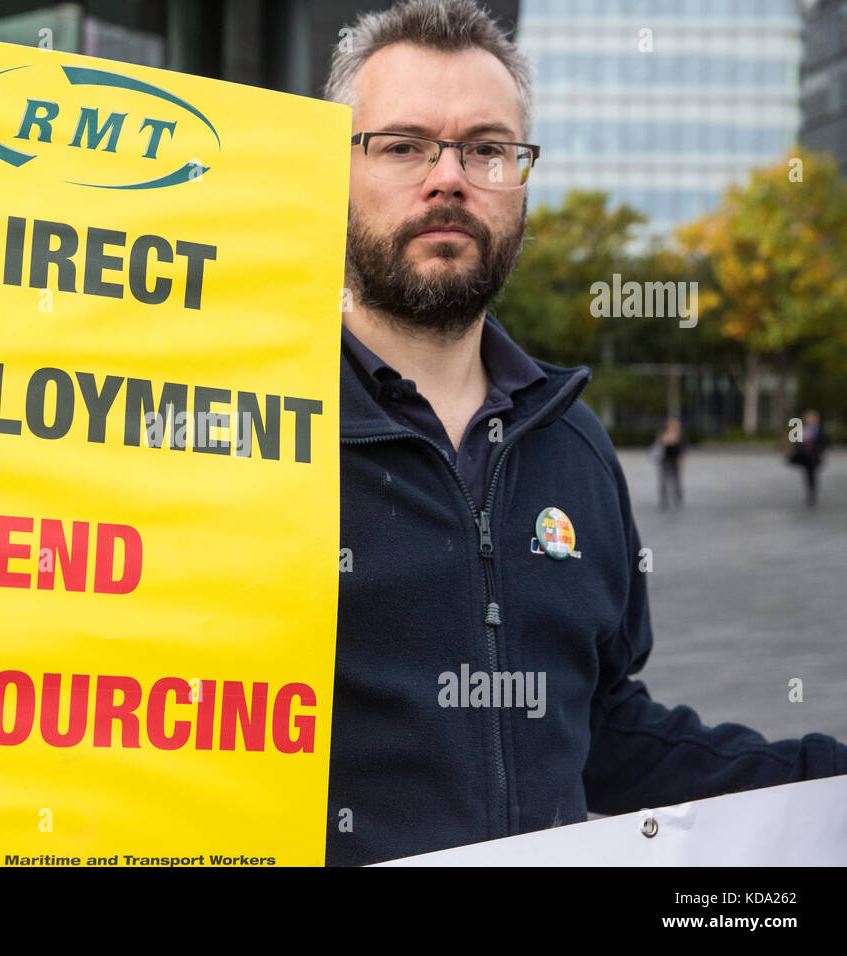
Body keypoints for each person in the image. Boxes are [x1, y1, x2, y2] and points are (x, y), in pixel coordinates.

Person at [323, 0, 846, 866]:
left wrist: (821, 781)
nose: (448, 177)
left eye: (487, 148)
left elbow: (599, 729)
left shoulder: (575, 446)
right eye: (405, 144)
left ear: (520, 179)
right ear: (333, 169)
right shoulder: (252, 435)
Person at [788, 409, 828, 507]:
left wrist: (816, 449)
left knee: (812, 475)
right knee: (808, 475)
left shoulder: (820, 430)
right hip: (805, 457)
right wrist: (802, 441)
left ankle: (812, 493)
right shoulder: (803, 429)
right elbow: (796, 444)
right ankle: (811, 492)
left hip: (814, 458)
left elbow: (824, 443)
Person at [651, 415, 685, 509]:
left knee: (676, 480)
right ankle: (664, 500)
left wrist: (680, 456)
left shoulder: (680, 434)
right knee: (663, 481)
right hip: (664, 459)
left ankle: (678, 498)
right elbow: (657, 445)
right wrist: (663, 441)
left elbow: (682, 448)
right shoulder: (663, 433)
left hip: (675, 460)